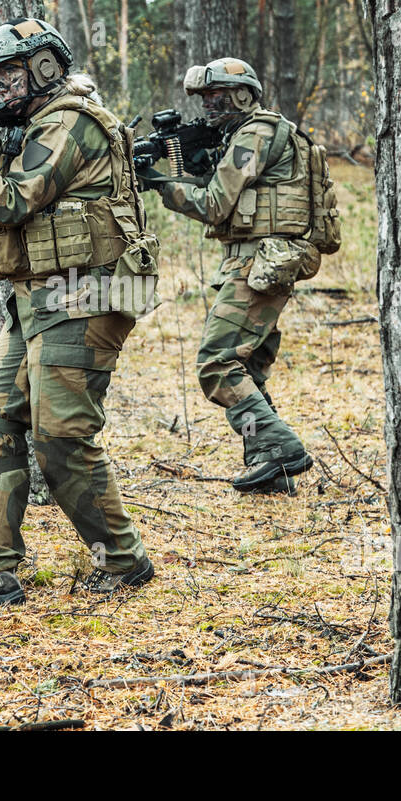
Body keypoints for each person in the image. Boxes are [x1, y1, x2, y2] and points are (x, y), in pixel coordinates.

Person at [0, 18, 155, 606]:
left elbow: (10, 200)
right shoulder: (40, 124)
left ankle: (122, 559)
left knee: (62, 435)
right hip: (43, 298)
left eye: (10, 77)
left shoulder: (69, 121)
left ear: (45, 68)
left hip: (86, 294)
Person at [139, 58, 317, 494]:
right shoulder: (244, 135)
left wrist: (162, 183)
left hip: (260, 262)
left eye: (216, 95)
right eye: (202, 98)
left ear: (242, 94)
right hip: (253, 260)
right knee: (247, 367)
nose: (208, 106)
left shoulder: (254, 134)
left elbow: (215, 204)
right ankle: (267, 463)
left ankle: (281, 448)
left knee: (217, 364)